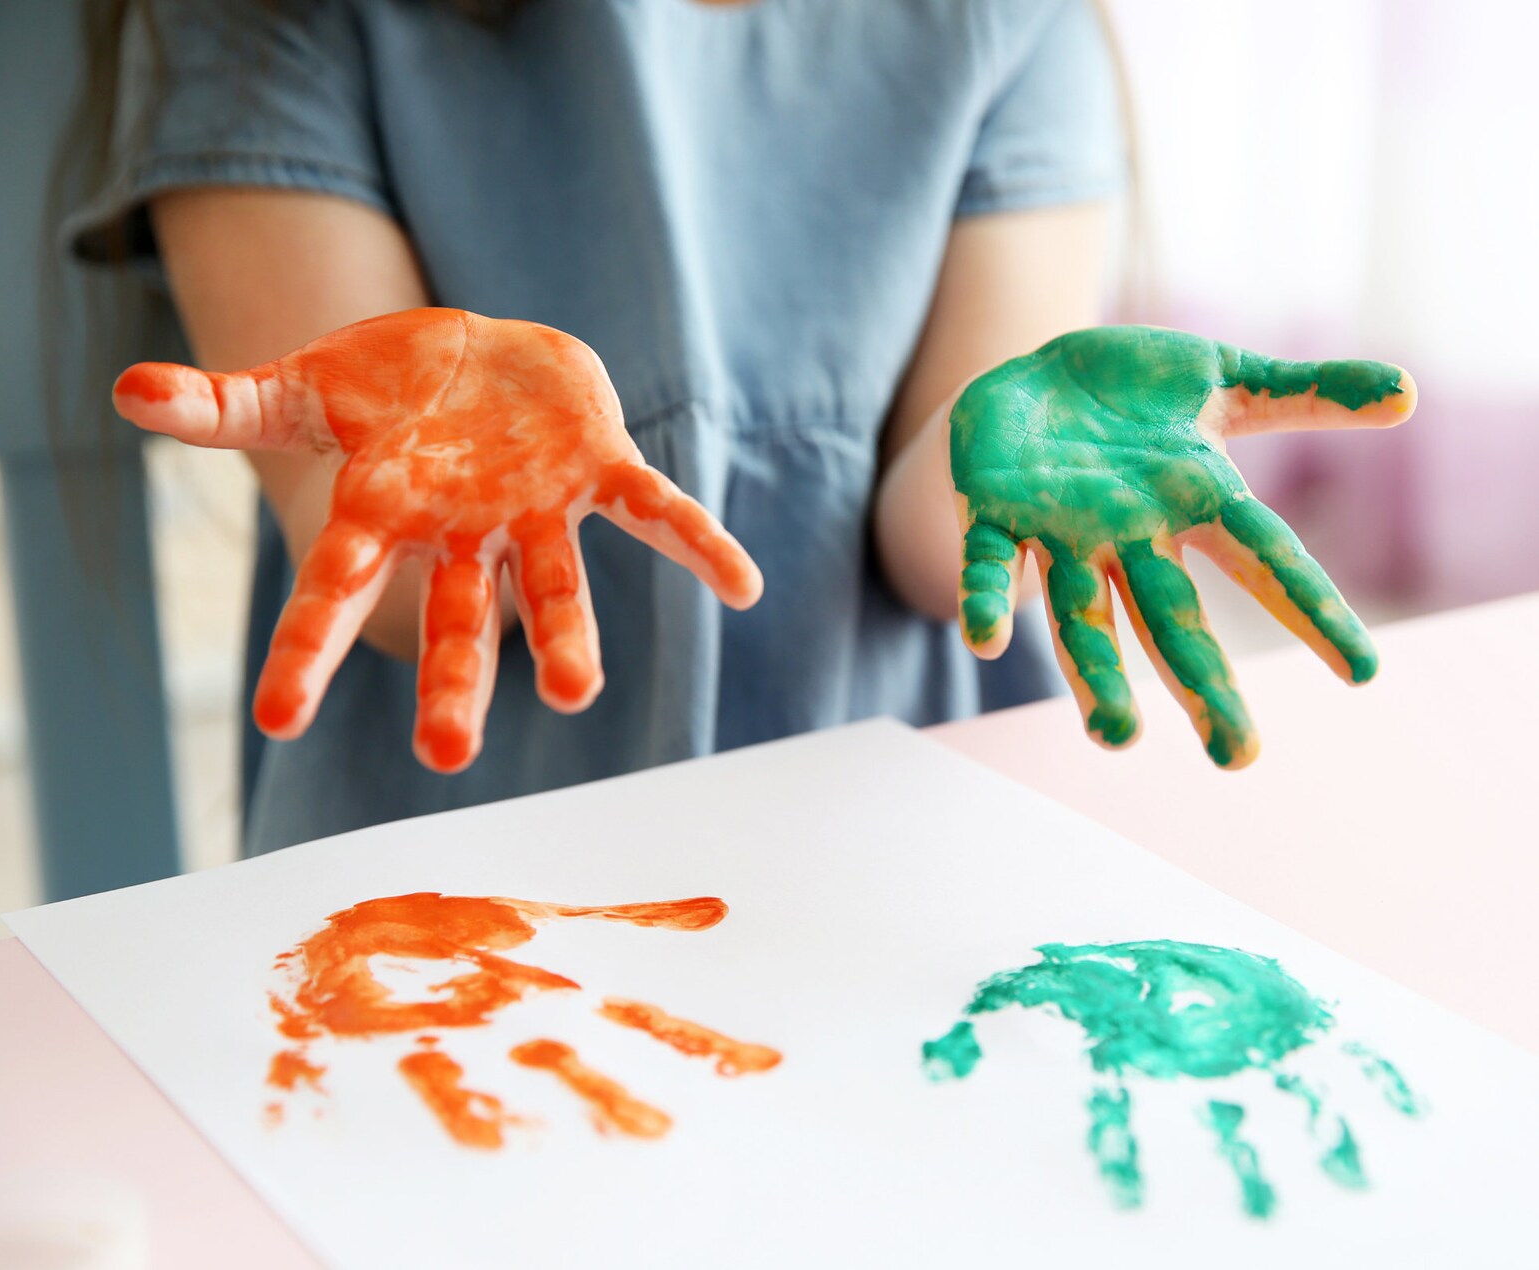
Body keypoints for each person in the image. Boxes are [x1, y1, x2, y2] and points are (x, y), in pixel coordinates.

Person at [63, 0, 1139, 854]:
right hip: (467, 891)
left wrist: (1031, 453)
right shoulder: (267, 19)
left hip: (893, 858)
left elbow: (940, 549)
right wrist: (456, 473)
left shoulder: (1011, 20)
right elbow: (387, 579)